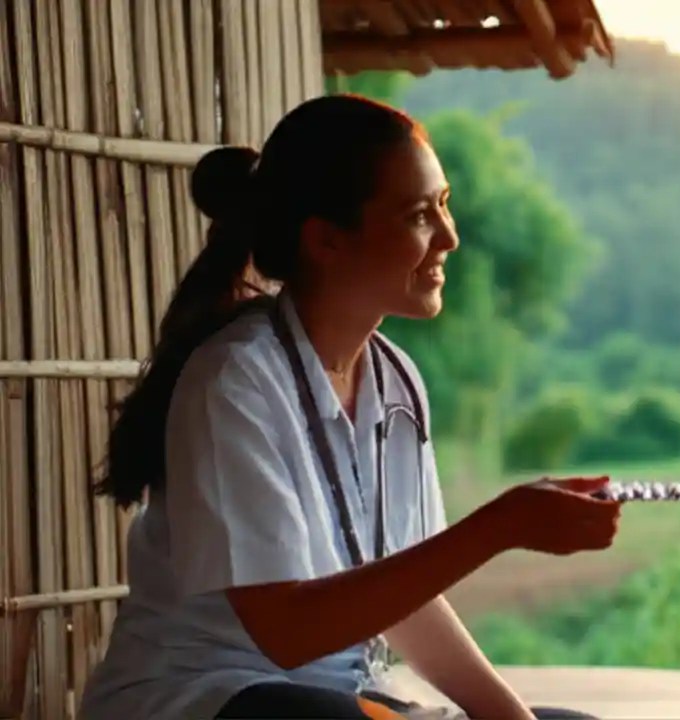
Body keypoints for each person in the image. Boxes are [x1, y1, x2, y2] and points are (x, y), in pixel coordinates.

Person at [80, 95, 621, 720]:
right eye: (420, 215)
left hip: (336, 701)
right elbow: (287, 632)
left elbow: (407, 601)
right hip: (209, 699)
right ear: (327, 241)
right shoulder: (234, 381)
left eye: (443, 205)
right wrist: (500, 526)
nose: (449, 236)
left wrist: (513, 718)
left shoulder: (394, 380)